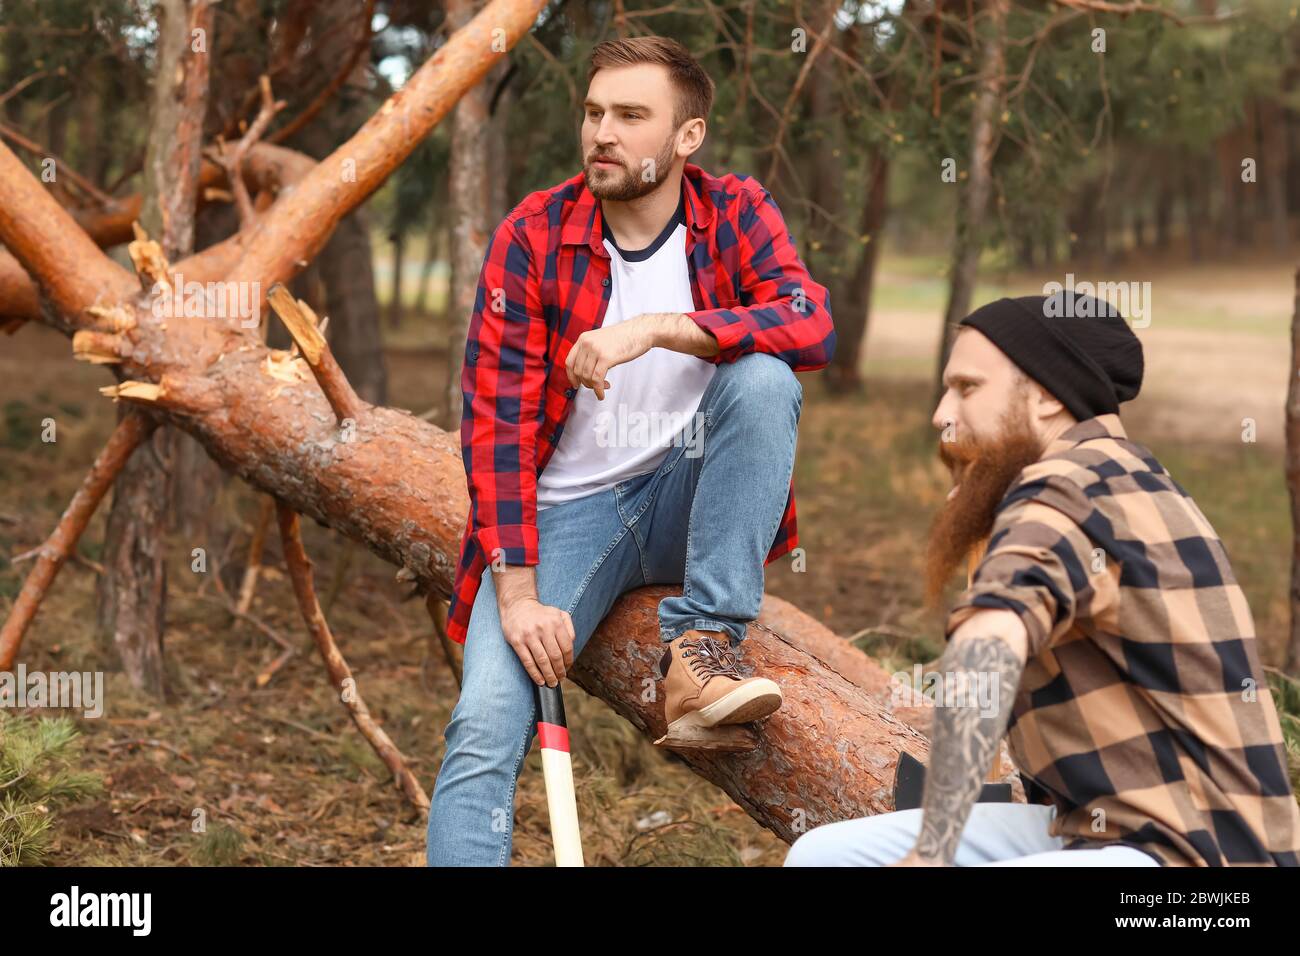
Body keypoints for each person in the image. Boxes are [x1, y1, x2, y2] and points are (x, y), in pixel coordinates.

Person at [427, 35, 835, 866]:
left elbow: (809, 319)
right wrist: (516, 594)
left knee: (764, 379)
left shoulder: (735, 211)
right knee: (481, 730)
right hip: (568, 512)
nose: (601, 133)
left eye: (630, 115)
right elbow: (494, 422)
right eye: (593, 112)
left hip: (692, 495)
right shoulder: (534, 234)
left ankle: (702, 648)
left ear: (687, 138)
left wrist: (656, 330)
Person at [786, 292, 1300, 867]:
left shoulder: (1063, 488)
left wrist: (932, 854)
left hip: (1197, 862)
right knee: (826, 855)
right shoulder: (1128, 478)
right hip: (1116, 831)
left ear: (1049, 393)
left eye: (967, 387)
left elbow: (987, 649)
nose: (940, 413)